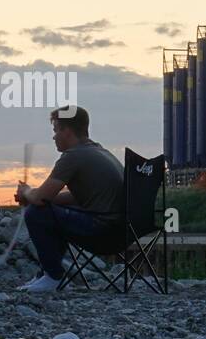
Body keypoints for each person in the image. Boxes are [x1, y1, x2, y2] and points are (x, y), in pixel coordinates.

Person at [15, 105, 124, 292]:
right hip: (122, 231)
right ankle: (46, 275)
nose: (54, 137)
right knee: (50, 212)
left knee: (36, 213)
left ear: (67, 131)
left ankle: (53, 276)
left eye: (56, 130)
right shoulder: (99, 152)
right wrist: (44, 198)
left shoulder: (73, 156)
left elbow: (40, 199)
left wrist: (26, 192)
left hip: (102, 232)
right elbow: (78, 196)